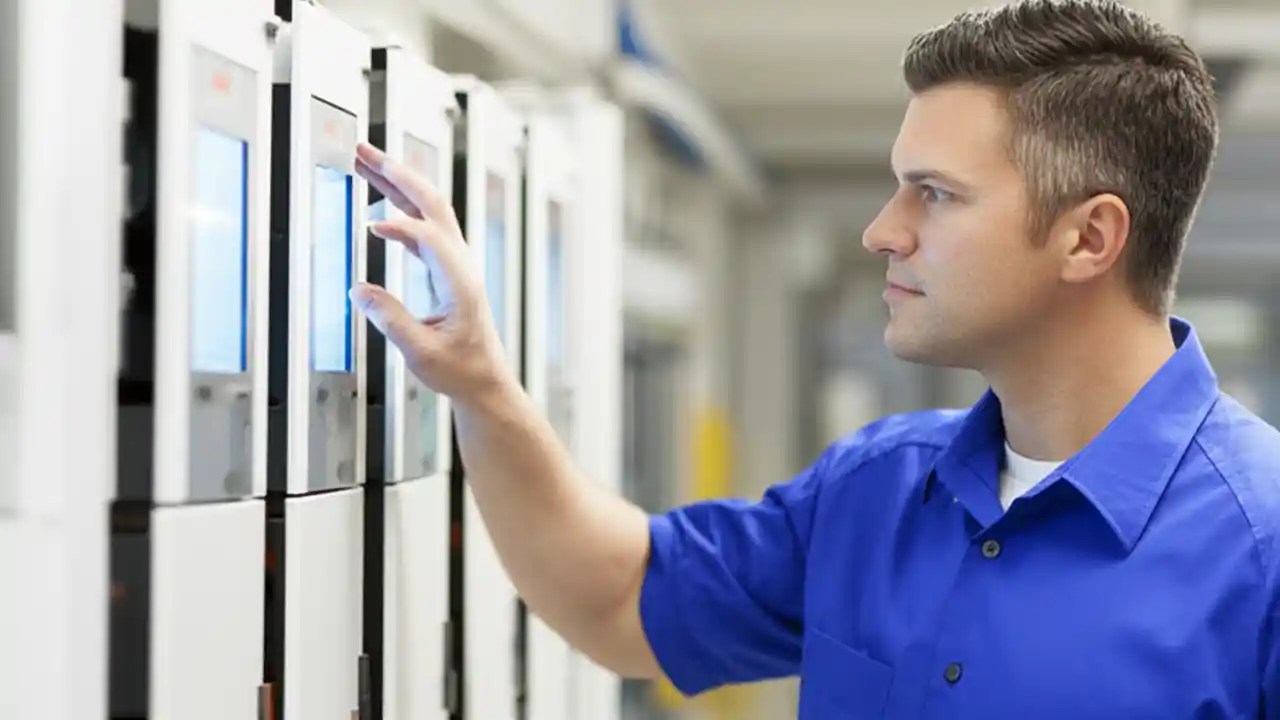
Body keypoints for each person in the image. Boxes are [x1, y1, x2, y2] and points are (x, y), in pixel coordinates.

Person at [350, 0, 1280, 715]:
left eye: (936, 196)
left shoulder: (1262, 547)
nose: (884, 231)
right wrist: (476, 379)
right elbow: (619, 597)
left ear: (1090, 239)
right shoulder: (877, 489)